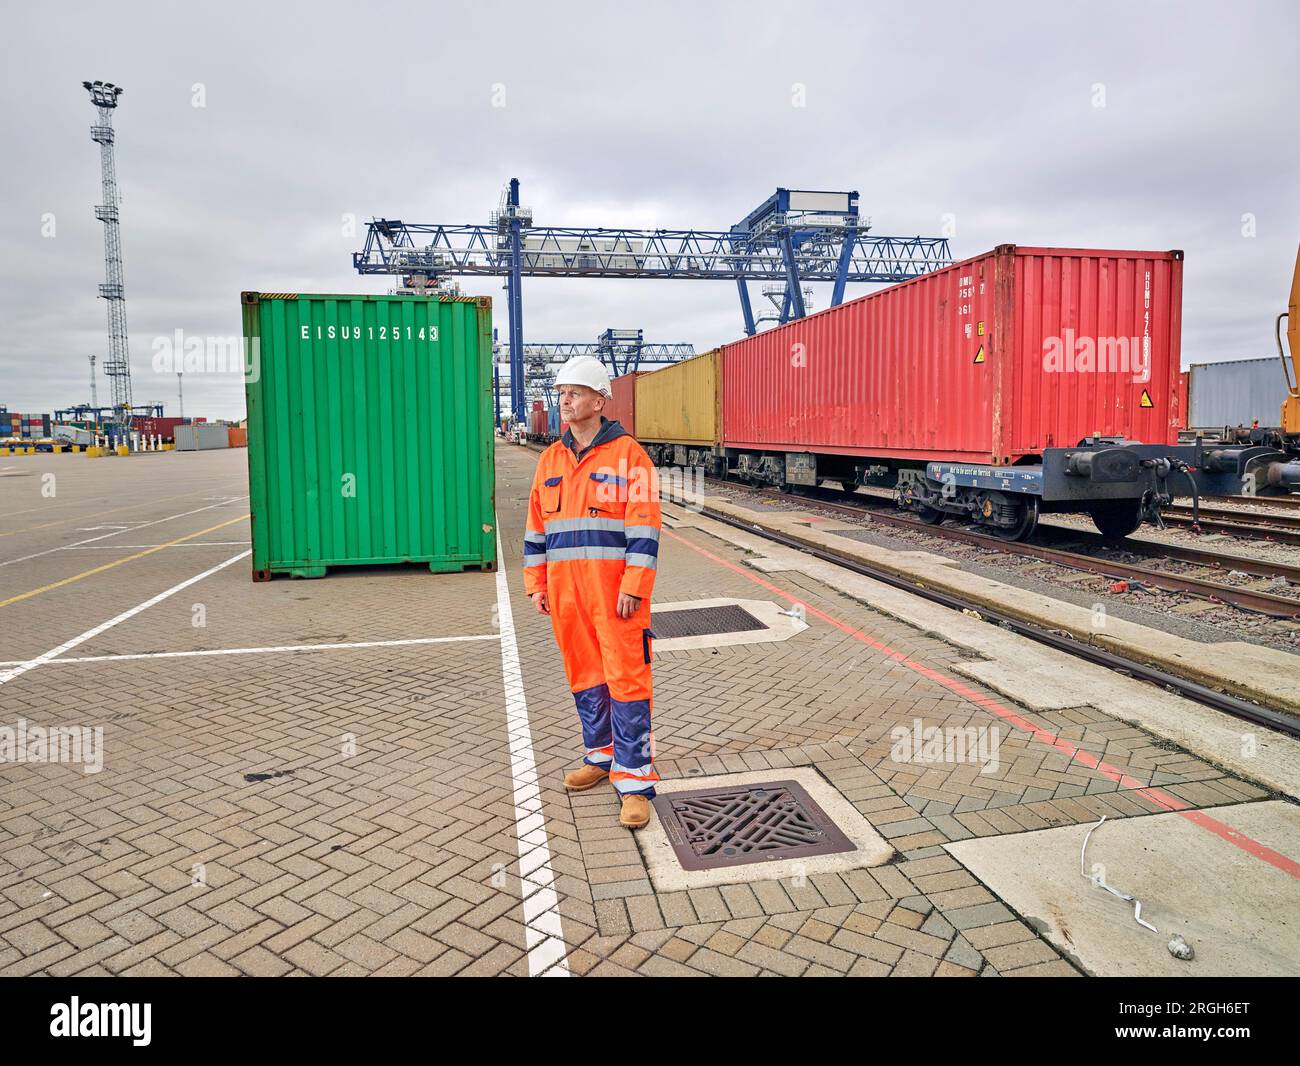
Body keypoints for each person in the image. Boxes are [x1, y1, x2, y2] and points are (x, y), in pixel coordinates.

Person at [522, 356, 662, 828]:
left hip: (614, 595)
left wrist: (634, 586)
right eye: (561, 392)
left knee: (627, 681)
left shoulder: (631, 457)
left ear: (600, 401)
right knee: (585, 675)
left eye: (575, 392)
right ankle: (600, 756)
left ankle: (635, 781)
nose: (564, 400)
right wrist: (536, 583)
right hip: (566, 595)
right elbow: (536, 529)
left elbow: (645, 528)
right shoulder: (550, 459)